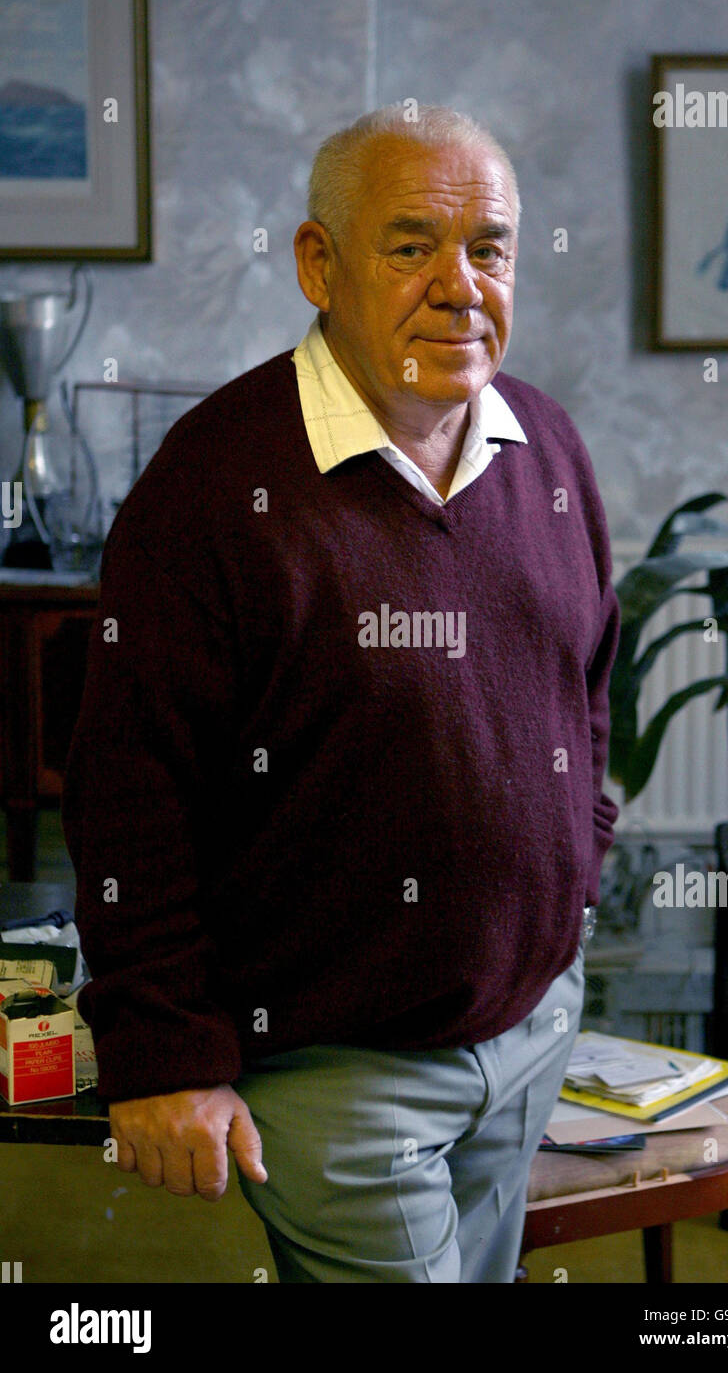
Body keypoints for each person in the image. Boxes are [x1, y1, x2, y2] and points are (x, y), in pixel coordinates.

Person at [60, 103, 620, 1284]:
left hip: (524, 1030)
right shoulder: (212, 486)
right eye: (411, 245)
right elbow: (128, 794)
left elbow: (586, 700)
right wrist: (163, 1052)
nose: (460, 286)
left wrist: (565, 895)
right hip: (328, 1060)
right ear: (318, 264)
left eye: (491, 248)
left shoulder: (552, 452)